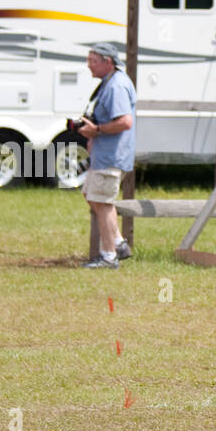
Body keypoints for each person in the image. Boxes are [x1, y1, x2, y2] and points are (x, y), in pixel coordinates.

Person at [76, 42, 136, 269]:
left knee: (103, 202)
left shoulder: (116, 86)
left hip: (112, 156)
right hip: (104, 155)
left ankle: (109, 256)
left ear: (107, 62)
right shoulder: (109, 82)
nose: (88, 65)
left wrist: (97, 130)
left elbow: (125, 121)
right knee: (93, 197)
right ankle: (118, 242)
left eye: (93, 60)